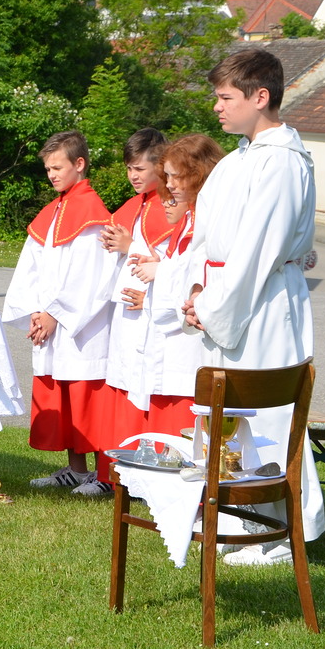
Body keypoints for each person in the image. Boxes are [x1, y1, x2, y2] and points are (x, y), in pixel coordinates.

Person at [182, 49, 325, 567]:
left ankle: (283, 529)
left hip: (262, 303)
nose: (216, 108)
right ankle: (239, 515)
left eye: (225, 98)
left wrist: (215, 304)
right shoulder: (243, 156)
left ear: (259, 97)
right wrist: (195, 294)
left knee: (267, 411)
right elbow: (208, 240)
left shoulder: (281, 161)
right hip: (227, 297)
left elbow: (256, 251)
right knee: (230, 413)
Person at [1, 131, 119, 495]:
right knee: (62, 392)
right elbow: (31, 267)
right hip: (51, 322)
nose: (51, 174)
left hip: (82, 326)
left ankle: (104, 475)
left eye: (58, 167)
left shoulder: (92, 214)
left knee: (88, 395)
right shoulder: (53, 212)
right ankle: (76, 469)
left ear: (79, 164)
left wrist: (55, 314)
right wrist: (36, 311)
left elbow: (92, 275)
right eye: (48, 168)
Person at [92, 128, 175, 494]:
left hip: (153, 316)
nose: (133, 176)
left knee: (146, 393)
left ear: (161, 164)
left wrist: (129, 245)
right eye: (129, 168)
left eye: (140, 168)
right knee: (124, 389)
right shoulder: (135, 204)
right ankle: (121, 475)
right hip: (127, 315)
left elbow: (175, 261)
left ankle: (147, 477)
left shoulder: (172, 205)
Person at [129, 133, 225, 435]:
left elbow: (198, 276)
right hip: (169, 341)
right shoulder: (187, 220)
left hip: (187, 342)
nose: (168, 184)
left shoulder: (207, 221)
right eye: (166, 176)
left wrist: (162, 271)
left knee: (182, 429)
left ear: (197, 174)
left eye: (175, 176)